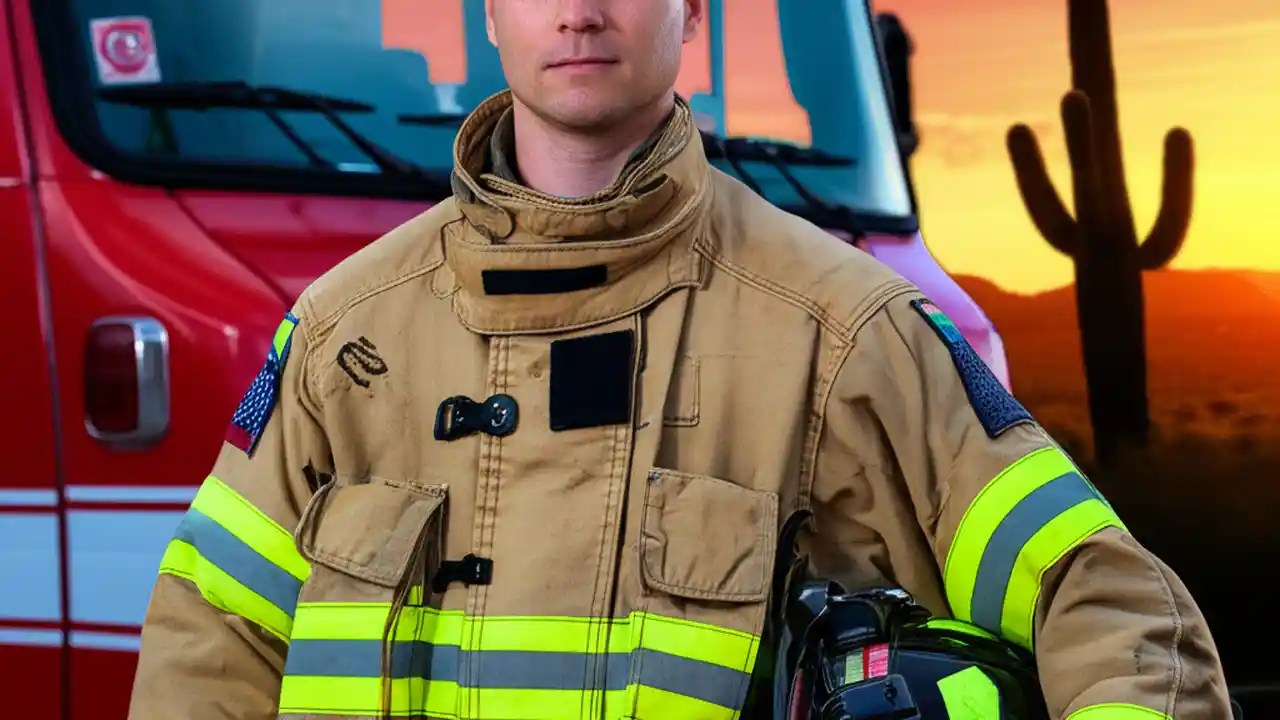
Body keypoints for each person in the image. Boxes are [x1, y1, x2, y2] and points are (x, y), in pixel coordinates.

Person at [127, 1, 1233, 718]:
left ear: (691, 10)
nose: (578, 12)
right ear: (489, 15)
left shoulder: (844, 333)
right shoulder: (341, 337)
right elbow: (210, 646)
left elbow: (1113, 607)